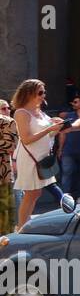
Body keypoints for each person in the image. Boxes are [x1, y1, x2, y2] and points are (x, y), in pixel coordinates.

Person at [13, 80, 74, 230]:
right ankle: (21, 228)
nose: (43, 95)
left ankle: (24, 224)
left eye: (44, 92)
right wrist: (49, 129)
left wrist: (58, 127)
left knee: (36, 193)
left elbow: (50, 135)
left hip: (42, 157)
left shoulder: (40, 111)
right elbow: (26, 139)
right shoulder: (21, 112)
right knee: (30, 193)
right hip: (30, 158)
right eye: (40, 92)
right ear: (29, 93)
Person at [0, 100, 16, 234]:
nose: (7, 110)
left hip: (2, 174)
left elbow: (11, 145)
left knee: (4, 212)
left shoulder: (7, 122)